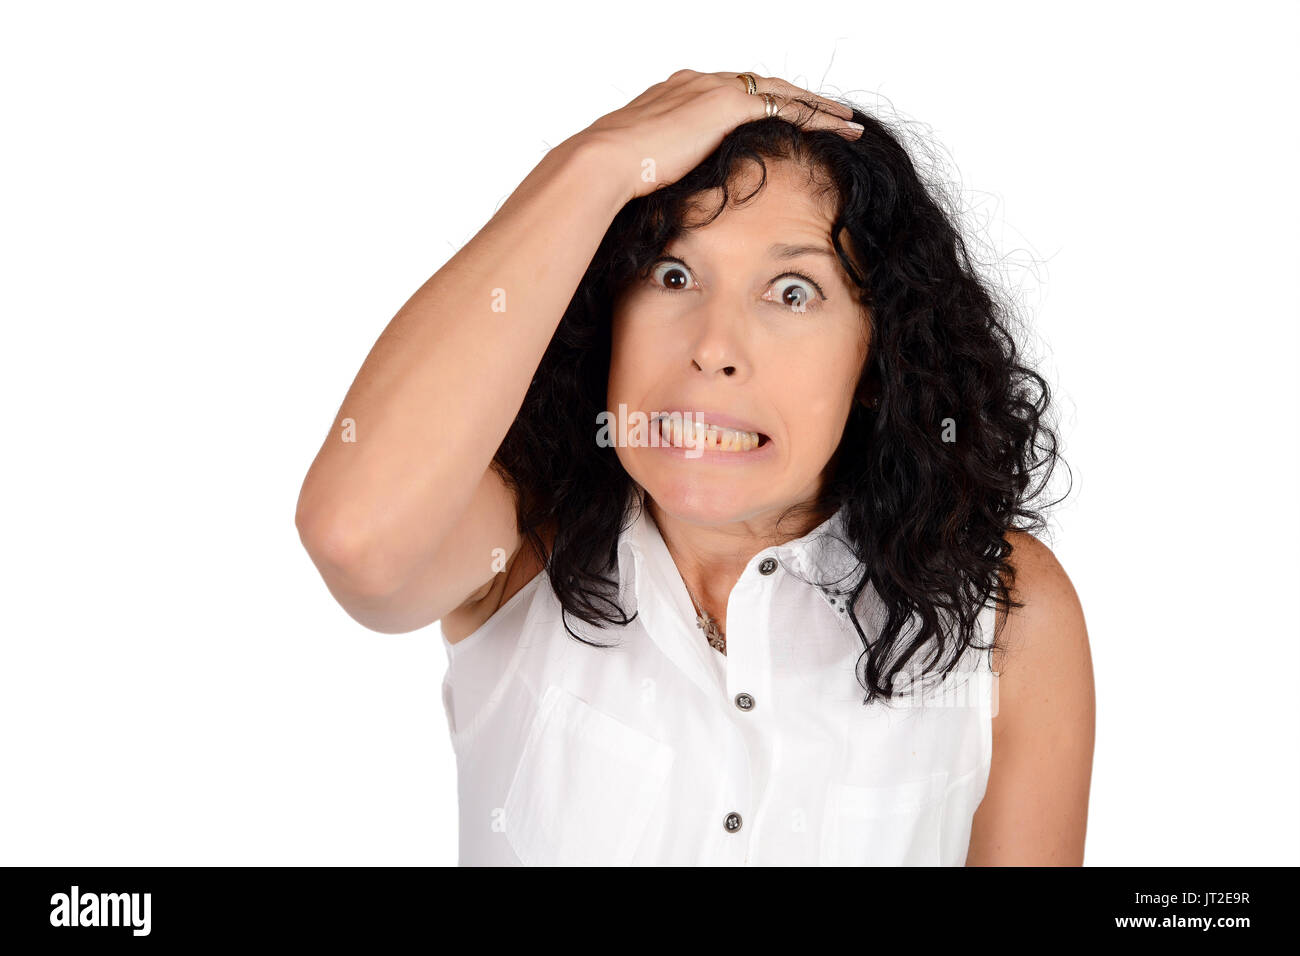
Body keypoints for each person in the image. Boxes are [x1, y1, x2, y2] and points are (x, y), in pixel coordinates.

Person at [295, 69, 1094, 866]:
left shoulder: (1003, 613)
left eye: (791, 292)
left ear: (877, 360)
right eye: (672, 275)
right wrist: (597, 163)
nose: (713, 347)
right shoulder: (524, 543)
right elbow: (355, 537)